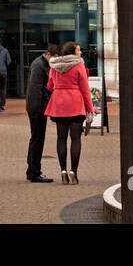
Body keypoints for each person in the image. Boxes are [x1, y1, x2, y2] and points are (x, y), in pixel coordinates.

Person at [45, 41, 93, 184]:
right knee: (76, 139)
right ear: (73, 52)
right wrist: (90, 108)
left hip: (59, 104)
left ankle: (63, 171)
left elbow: (50, 85)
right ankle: (73, 171)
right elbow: (85, 88)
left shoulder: (54, 66)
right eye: (79, 50)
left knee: (61, 138)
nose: (81, 53)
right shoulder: (79, 65)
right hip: (75, 103)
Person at [25, 44, 57, 182]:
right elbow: (35, 89)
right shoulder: (39, 65)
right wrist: (39, 108)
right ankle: (35, 173)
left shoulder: (41, 64)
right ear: (49, 54)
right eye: (55, 58)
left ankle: (31, 170)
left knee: (35, 138)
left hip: (37, 107)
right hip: (37, 108)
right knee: (38, 139)